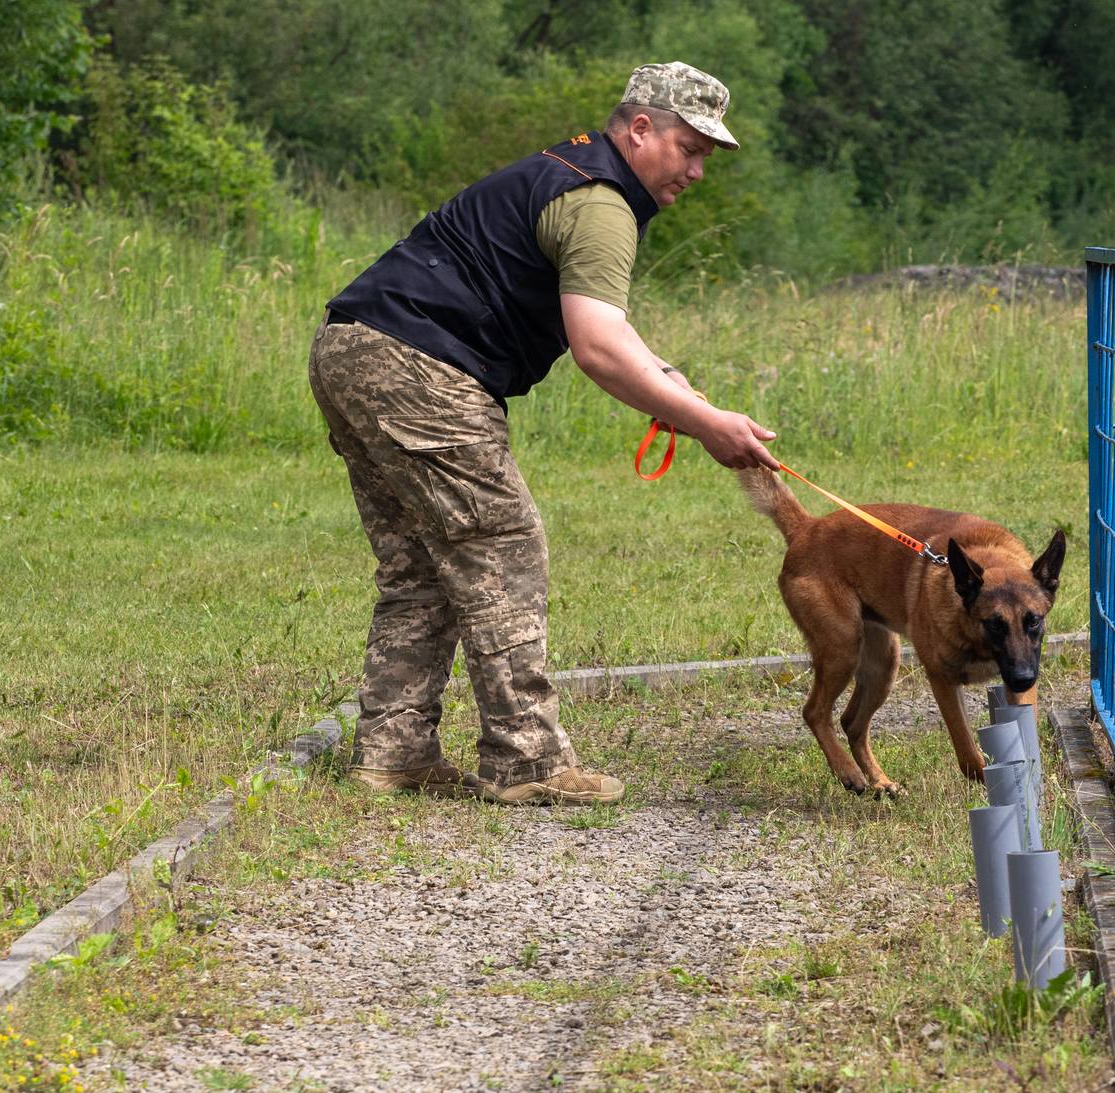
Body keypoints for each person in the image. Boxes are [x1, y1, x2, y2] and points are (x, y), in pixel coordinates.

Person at [308, 62, 781, 806]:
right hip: (420, 362)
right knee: (501, 541)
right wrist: (706, 424)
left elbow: (611, 330)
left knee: (422, 565)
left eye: (707, 156)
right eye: (689, 147)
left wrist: (671, 383)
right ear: (641, 127)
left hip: (350, 347)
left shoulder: (570, 173)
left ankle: (392, 752)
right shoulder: (602, 204)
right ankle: (526, 758)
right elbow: (595, 347)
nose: (696, 170)